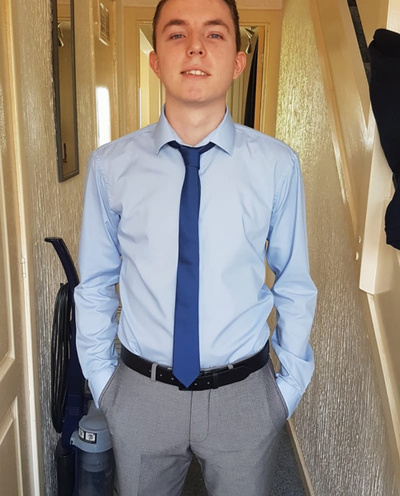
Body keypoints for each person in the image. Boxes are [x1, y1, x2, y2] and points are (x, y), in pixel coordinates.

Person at [74, 0, 317, 494]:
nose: (196, 48)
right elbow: (95, 282)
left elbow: (294, 282)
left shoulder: (277, 166)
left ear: (238, 61)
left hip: (244, 397)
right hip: (141, 395)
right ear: (155, 60)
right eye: (177, 33)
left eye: (215, 34)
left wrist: (286, 389)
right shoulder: (110, 167)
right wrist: (105, 382)